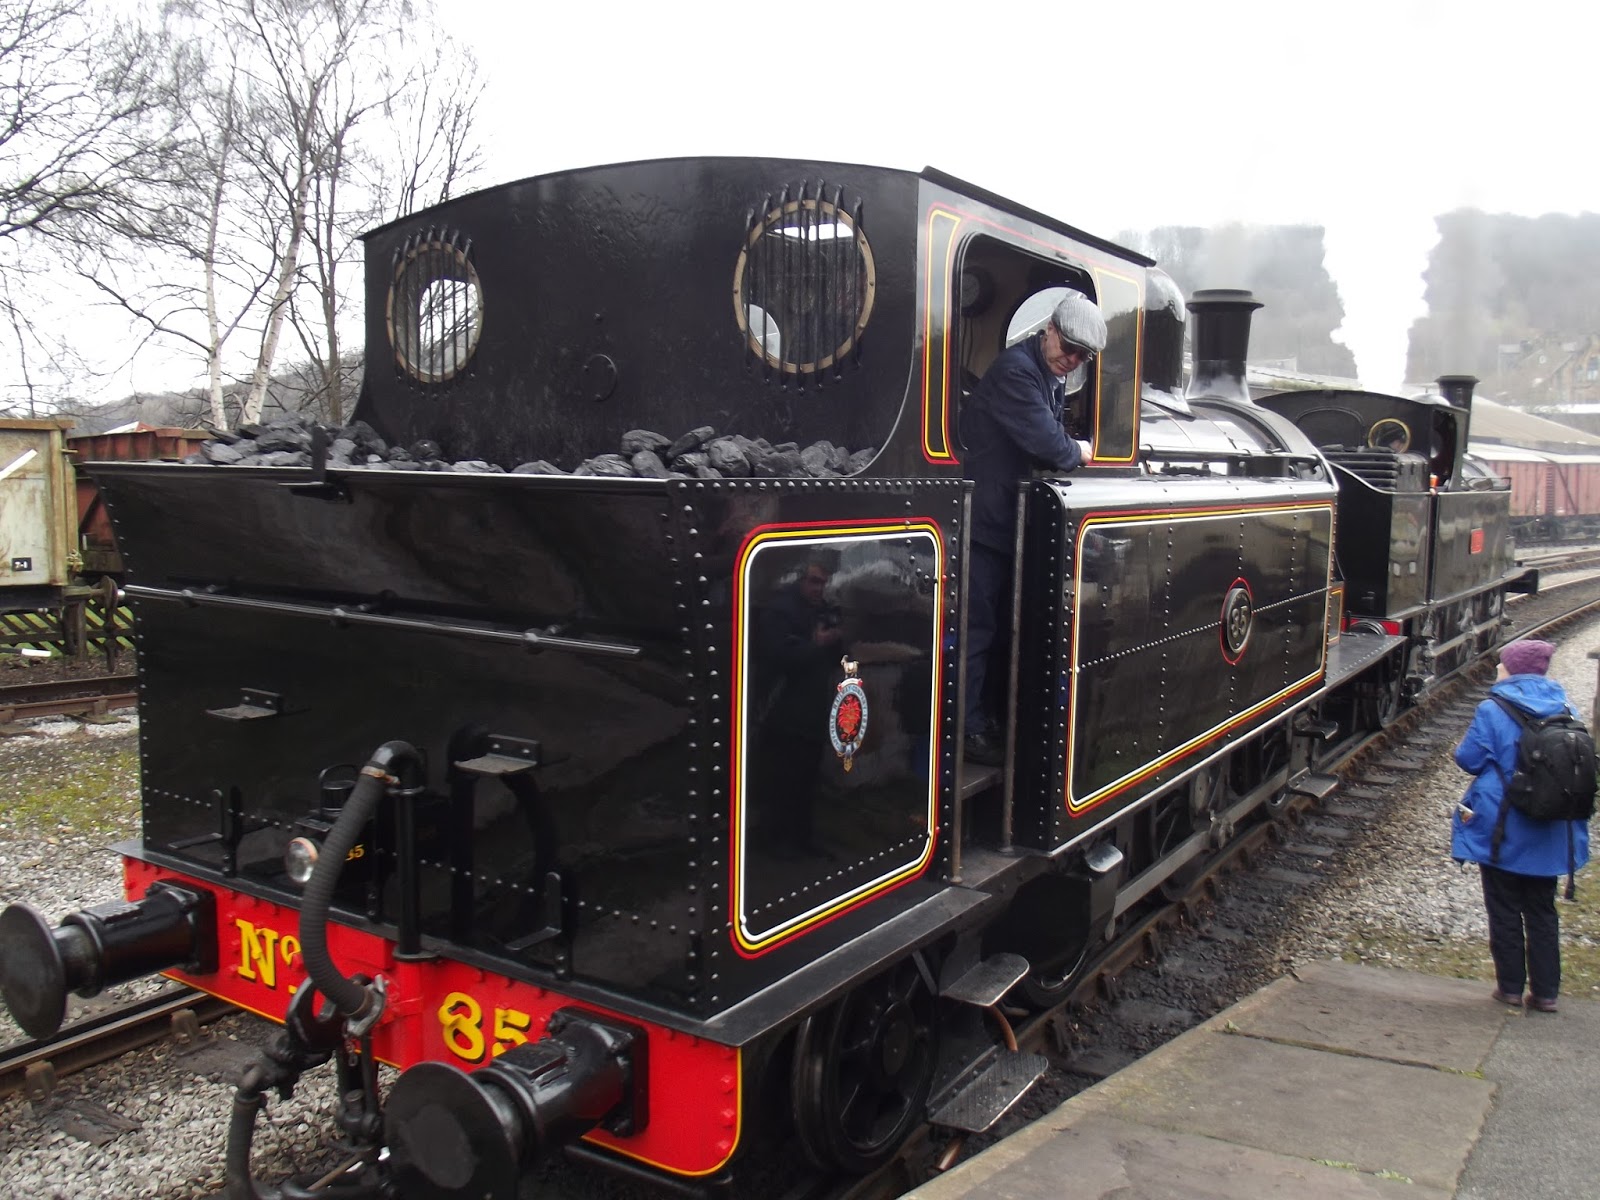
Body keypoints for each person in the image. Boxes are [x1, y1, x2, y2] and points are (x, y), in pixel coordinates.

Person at [959, 291, 1105, 766]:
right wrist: (1079, 450)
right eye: (1068, 347)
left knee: (999, 630)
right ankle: (965, 730)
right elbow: (1051, 445)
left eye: (1082, 356)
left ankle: (989, 720)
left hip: (1005, 523)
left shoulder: (1048, 374)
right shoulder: (1017, 371)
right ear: (1049, 330)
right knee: (976, 630)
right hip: (984, 521)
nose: (1072, 360)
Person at [1452, 638, 1591, 1013]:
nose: (1498, 668)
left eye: (1502, 664)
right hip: (1549, 829)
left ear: (1512, 669)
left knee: (1504, 907)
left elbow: (1470, 759)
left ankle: (1510, 988)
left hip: (1505, 826)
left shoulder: (1492, 708)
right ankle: (1546, 994)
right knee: (1543, 910)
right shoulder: (1566, 706)